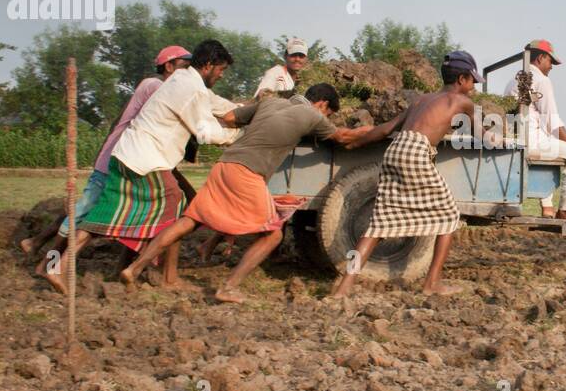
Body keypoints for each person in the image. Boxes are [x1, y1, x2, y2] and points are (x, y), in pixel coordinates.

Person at [119, 84, 369, 302]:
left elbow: (228, 118)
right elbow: (343, 136)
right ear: (322, 103)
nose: (326, 117)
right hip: (248, 173)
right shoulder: (311, 115)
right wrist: (374, 129)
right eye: (328, 113)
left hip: (224, 165)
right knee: (272, 236)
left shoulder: (270, 102)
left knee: (189, 220)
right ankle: (228, 287)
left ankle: (134, 268)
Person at [68, 39, 243, 291]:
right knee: (178, 210)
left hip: (130, 155)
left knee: (103, 215)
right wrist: (239, 134)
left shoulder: (183, 80)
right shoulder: (191, 89)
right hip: (147, 160)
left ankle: (60, 267)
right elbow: (207, 133)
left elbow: (215, 103)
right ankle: (166, 278)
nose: (221, 75)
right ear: (208, 65)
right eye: (221, 69)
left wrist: (247, 110)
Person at [26, 45, 192, 291]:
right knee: (84, 214)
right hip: (117, 161)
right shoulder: (155, 86)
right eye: (184, 67)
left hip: (129, 160)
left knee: (108, 212)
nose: (187, 74)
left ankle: (49, 257)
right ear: (169, 66)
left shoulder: (160, 88)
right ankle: (48, 264)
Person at [330, 51, 481, 298]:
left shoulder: (420, 100)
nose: (473, 87)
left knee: (377, 226)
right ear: (462, 79)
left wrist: (355, 143)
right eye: (472, 81)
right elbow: (480, 136)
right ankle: (432, 283)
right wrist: (495, 135)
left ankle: (344, 287)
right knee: (450, 217)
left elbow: (385, 129)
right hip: (417, 152)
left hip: (395, 150)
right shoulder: (463, 102)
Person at [521, 39, 566, 229]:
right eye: (550, 62)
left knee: (556, 146)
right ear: (540, 58)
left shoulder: (515, 79)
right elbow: (552, 121)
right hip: (533, 141)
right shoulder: (541, 80)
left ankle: (547, 207)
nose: (551, 67)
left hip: (520, 140)